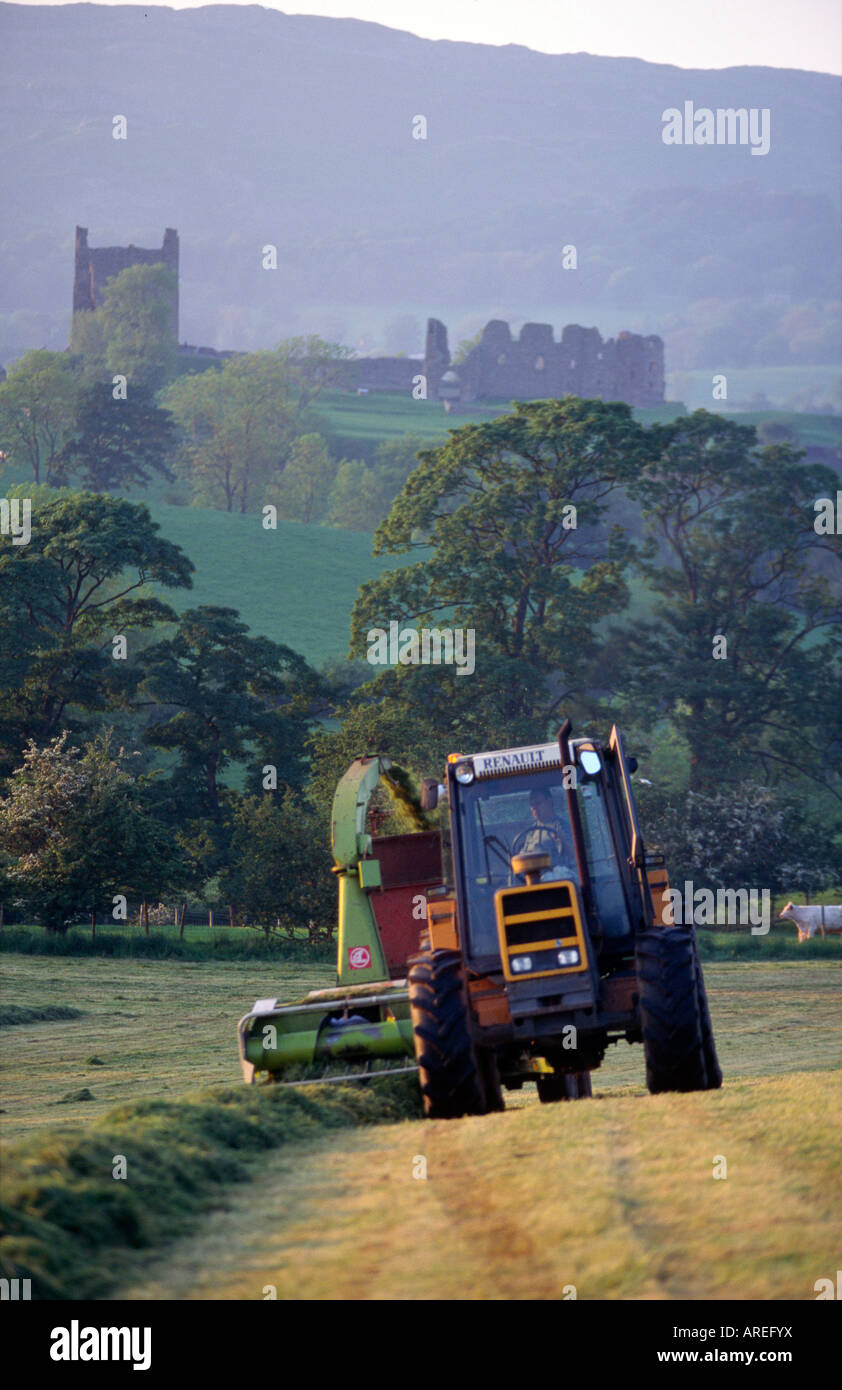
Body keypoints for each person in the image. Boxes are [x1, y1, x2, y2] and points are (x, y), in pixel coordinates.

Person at [516, 787, 575, 876]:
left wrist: (563, 841)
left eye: (538, 803)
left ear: (550, 802)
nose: (534, 808)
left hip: (556, 879)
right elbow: (524, 855)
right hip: (533, 878)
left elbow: (574, 856)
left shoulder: (561, 827)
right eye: (532, 805)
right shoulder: (531, 831)